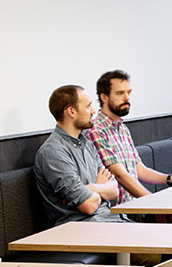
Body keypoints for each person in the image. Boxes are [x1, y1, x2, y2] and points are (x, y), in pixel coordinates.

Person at [90, 69, 172, 204]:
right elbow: (120, 175)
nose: (127, 98)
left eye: (128, 92)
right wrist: (152, 204)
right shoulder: (96, 130)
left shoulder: (122, 128)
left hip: (133, 206)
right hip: (115, 212)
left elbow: (139, 169)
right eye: (120, 93)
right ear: (104, 97)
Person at [34, 84, 120, 227]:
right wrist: (100, 187)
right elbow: (88, 206)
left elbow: (114, 189)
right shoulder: (53, 152)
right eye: (88, 106)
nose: (93, 111)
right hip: (82, 228)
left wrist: (92, 188)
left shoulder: (86, 143)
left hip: (109, 221)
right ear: (71, 112)